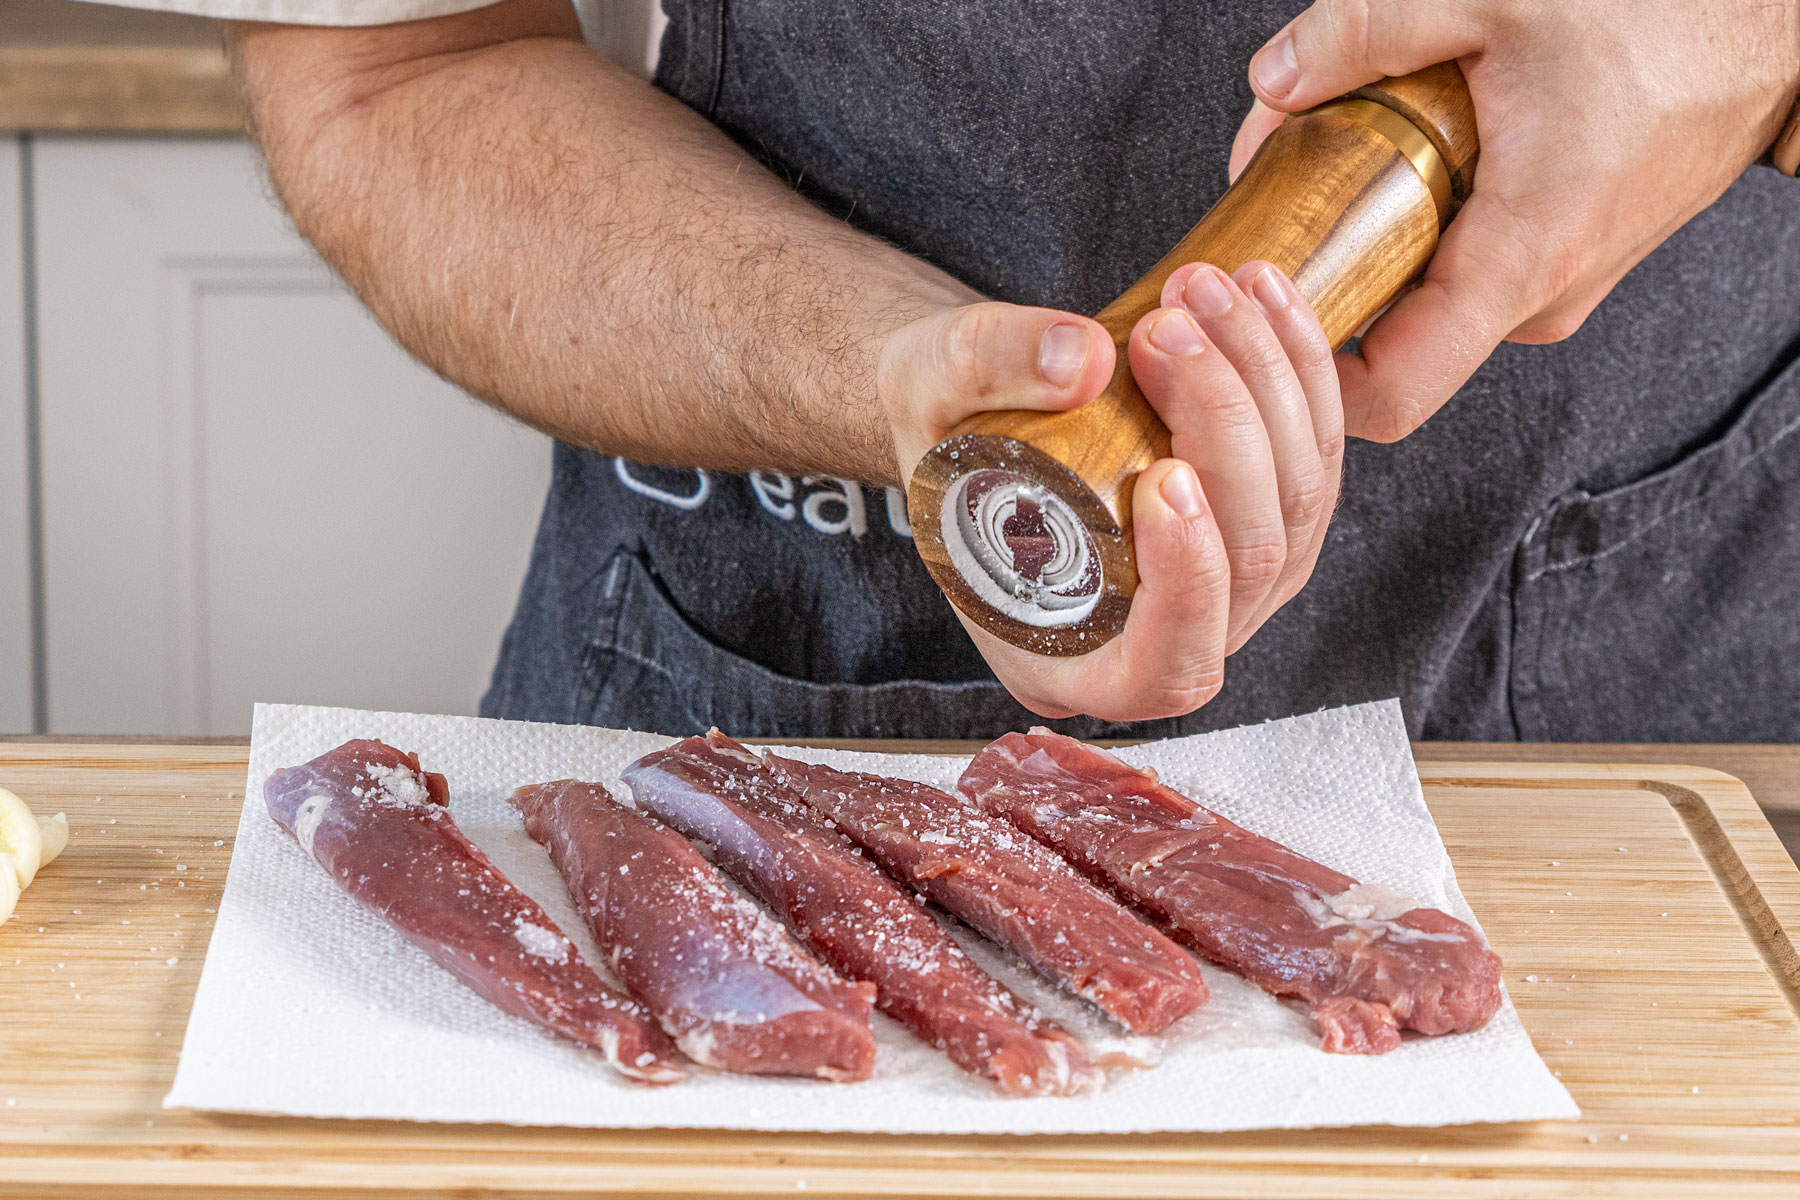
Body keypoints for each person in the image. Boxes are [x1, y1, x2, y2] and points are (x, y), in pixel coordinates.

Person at [118, 0, 1800, 740]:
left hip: (1652, 684)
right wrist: (893, 378)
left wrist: (1741, 37)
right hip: (786, 669)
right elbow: (395, 77)